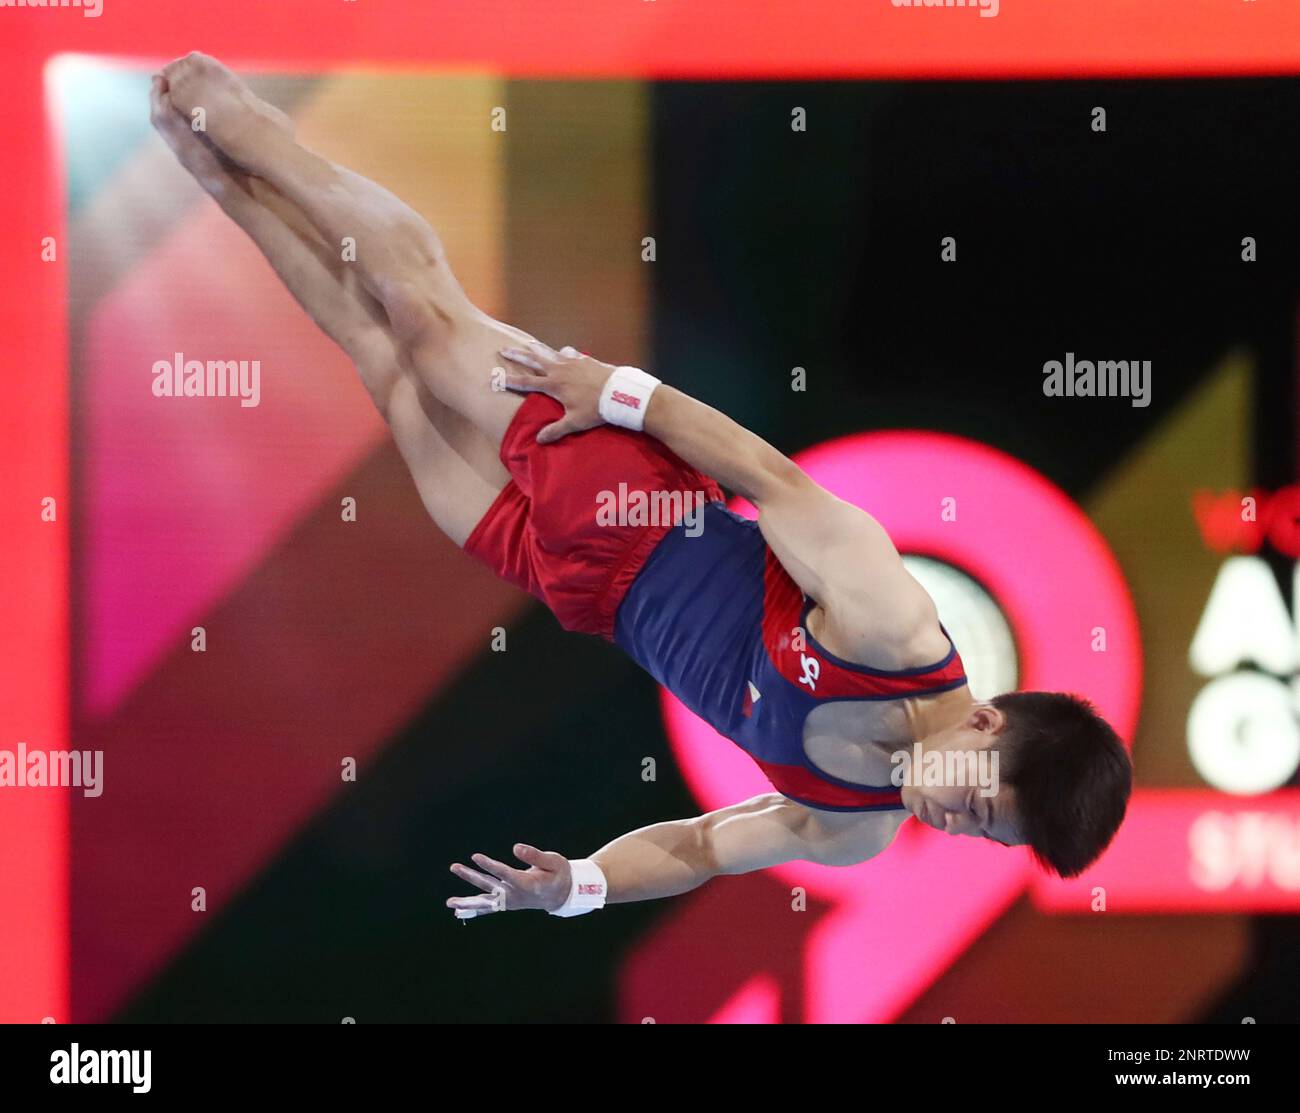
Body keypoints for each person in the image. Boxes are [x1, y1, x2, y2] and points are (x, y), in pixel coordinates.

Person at [150, 53, 1131, 923]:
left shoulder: (852, 831)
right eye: (979, 798)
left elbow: (705, 846)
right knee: (424, 321)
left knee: (380, 365)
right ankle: (254, 135)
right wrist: (620, 393)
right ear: (988, 724)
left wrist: (579, 883)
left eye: (975, 834)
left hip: (580, 592)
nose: (950, 819)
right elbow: (766, 474)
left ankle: (219, 181)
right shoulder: (892, 629)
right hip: (634, 504)